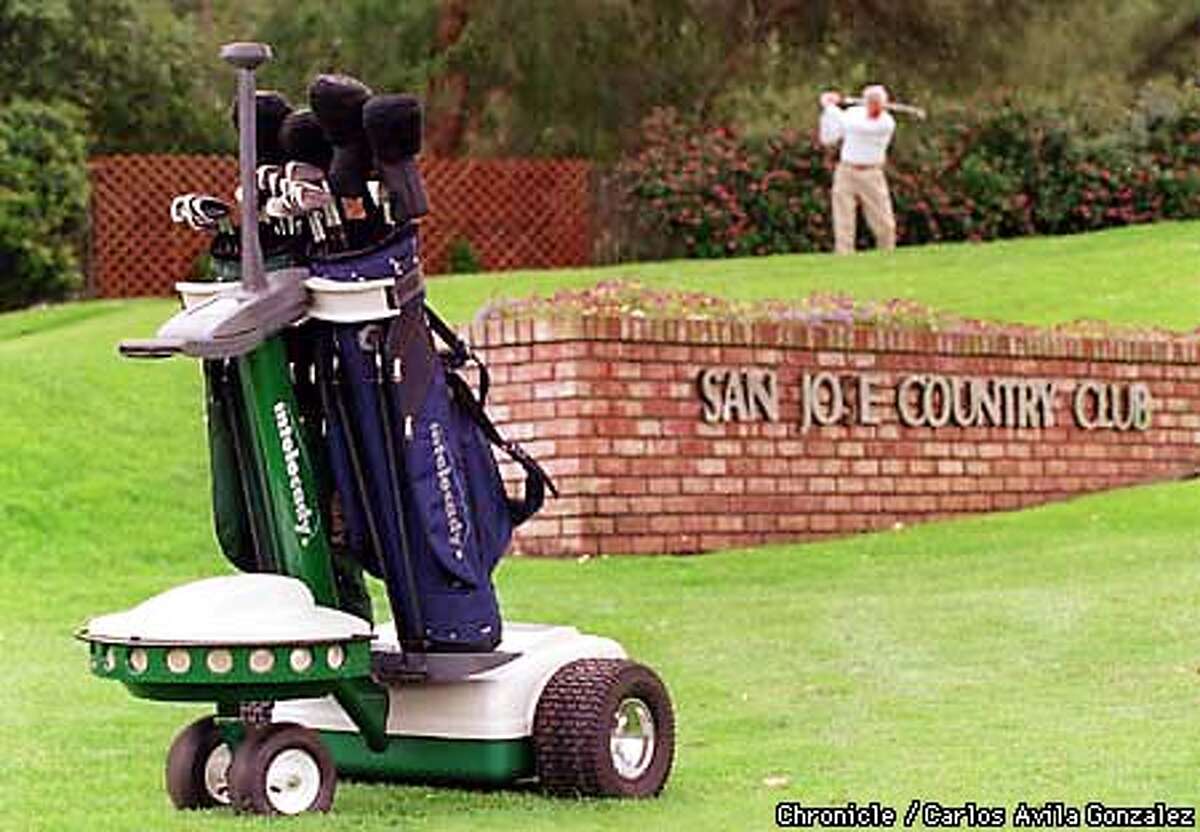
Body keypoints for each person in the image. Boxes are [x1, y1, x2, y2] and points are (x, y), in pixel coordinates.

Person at [819, 85, 897, 255]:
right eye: (872, 103)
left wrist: (831, 106)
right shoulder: (854, 114)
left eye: (879, 104)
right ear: (866, 103)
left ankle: (887, 252)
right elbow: (830, 137)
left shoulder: (886, 123)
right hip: (846, 170)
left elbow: (854, 127)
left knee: (884, 221)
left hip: (872, 173)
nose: (875, 108)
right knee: (843, 217)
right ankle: (844, 254)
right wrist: (829, 111)